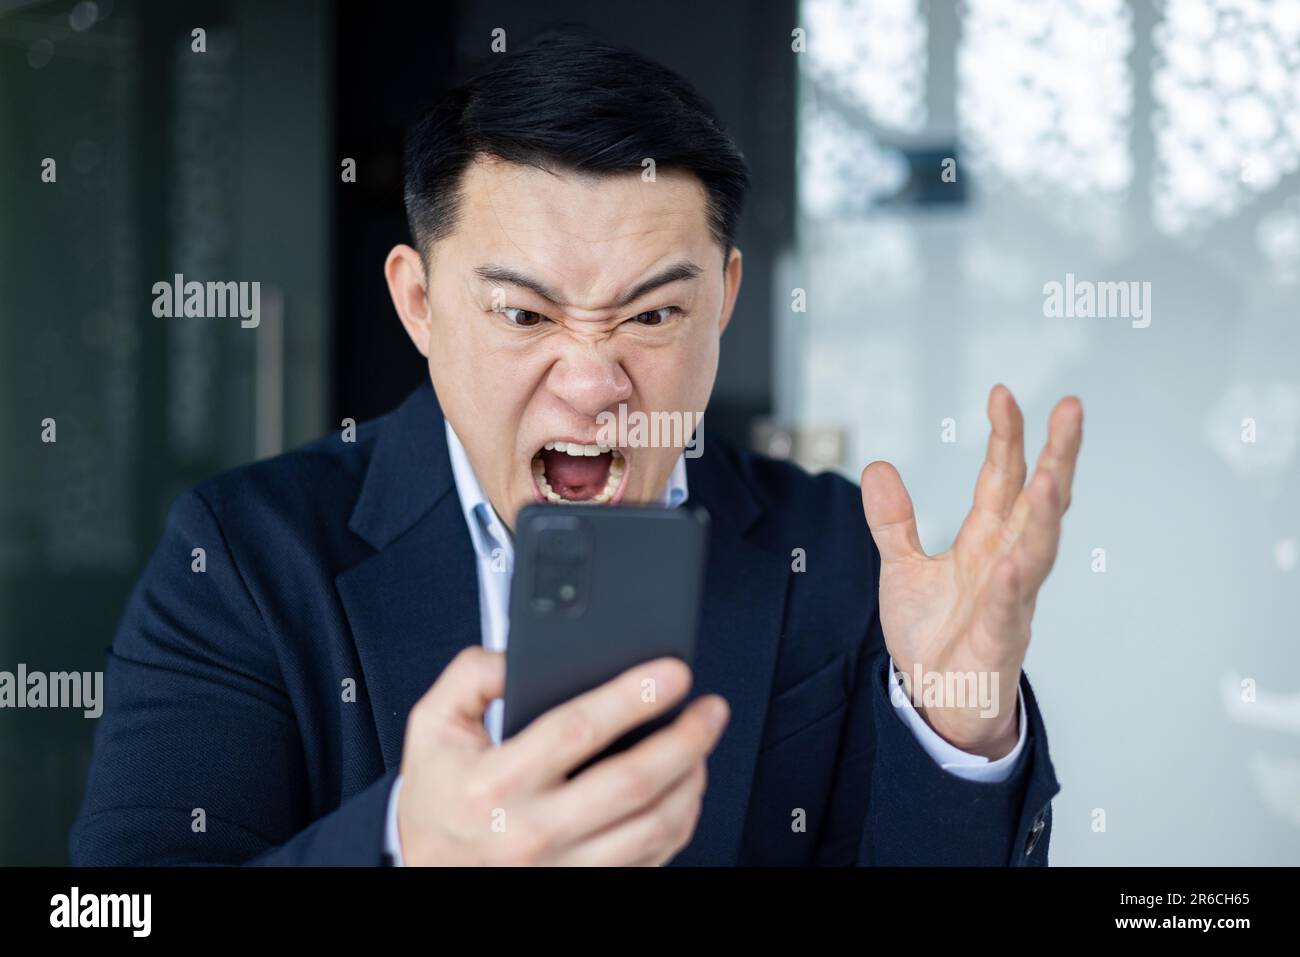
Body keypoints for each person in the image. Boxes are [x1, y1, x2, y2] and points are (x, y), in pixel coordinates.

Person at [70, 33, 1081, 866]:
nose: (594, 381)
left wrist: (957, 733)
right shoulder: (244, 559)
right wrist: (404, 844)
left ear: (723, 301)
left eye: (651, 316)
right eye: (523, 314)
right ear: (418, 302)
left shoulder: (838, 552)